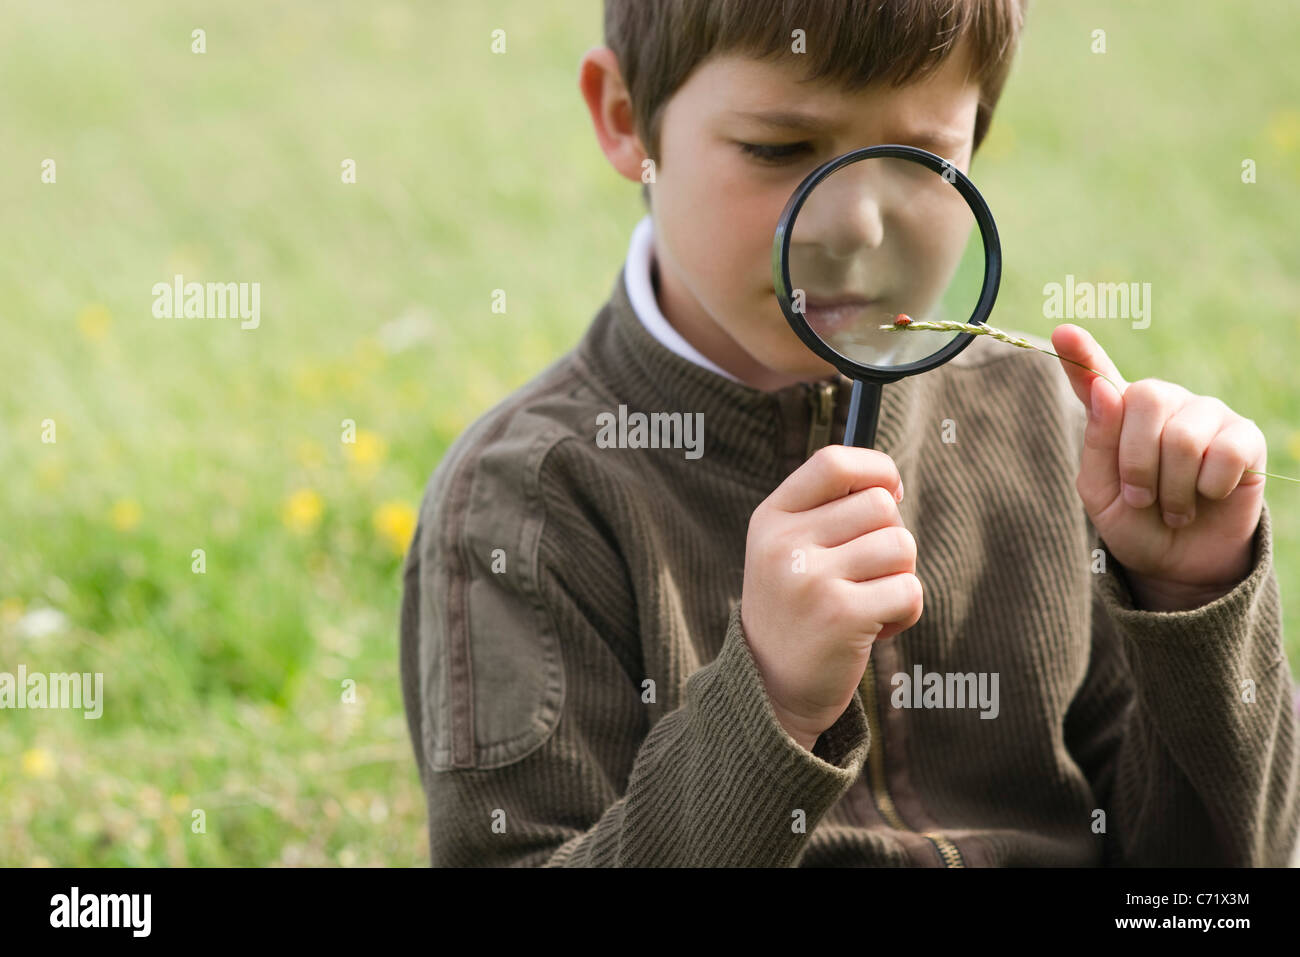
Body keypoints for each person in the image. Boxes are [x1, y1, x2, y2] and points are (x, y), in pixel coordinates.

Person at [400, 0, 1300, 866]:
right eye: (780, 148)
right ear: (628, 119)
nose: (856, 223)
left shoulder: (1047, 433)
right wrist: (769, 705)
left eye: (921, 157)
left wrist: (1190, 601)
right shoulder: (526, 501)